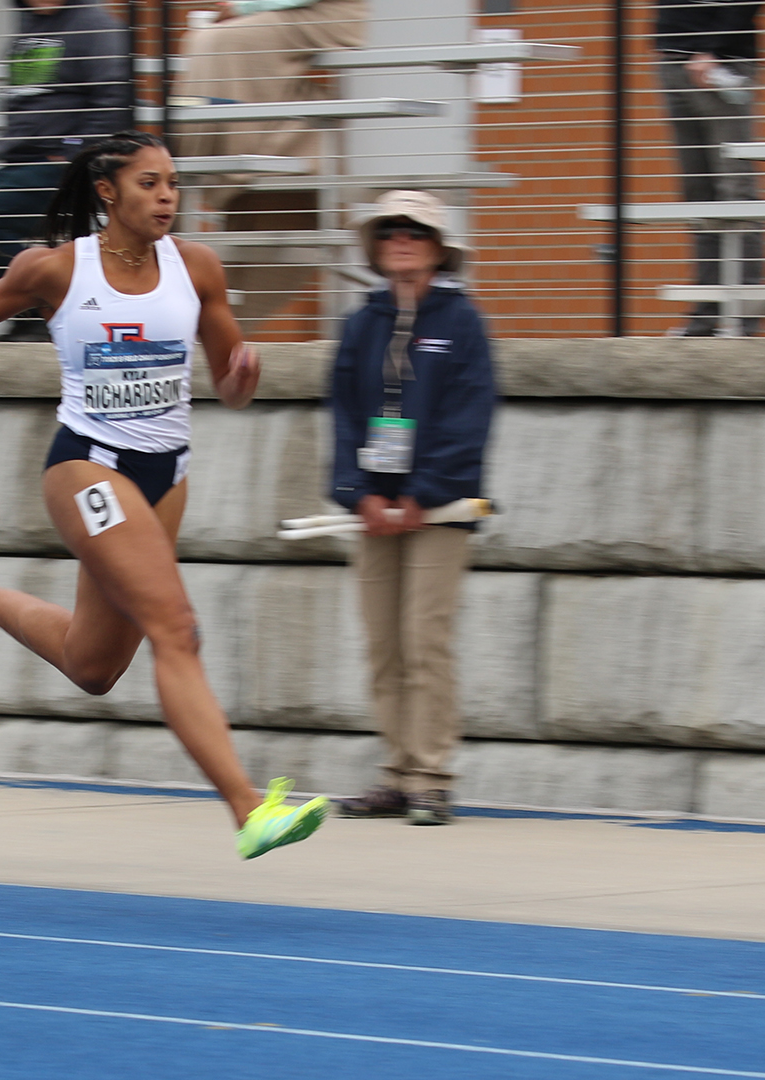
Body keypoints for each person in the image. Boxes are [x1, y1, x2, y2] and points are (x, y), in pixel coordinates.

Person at [0, 130, 327, 861]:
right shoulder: (58, 270)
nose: (166, 198)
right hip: (86, 468)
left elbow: (227, 380)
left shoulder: (197, 268)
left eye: (173, 184)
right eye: (149, 184)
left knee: (93, 666)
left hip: (167, 475)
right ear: (108, 193)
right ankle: (249, 808)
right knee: (177, 628)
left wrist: (240, 382)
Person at [325, 191, 495, 826]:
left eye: (415, 231)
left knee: (426, 641)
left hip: (440, 511)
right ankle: (396, 772)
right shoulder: (362, 322)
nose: (401, 238)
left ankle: (432, 777)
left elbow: (469, 419)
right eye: (390, 229)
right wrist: (357, 491)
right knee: (384, 645)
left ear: (438, 248)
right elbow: (342, 413)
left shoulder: (462, 323)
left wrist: (421, 494)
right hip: (374, 510)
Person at [0, 0, 131, 325]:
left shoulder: (94, 24)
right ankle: (40, 308)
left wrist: (71, 152)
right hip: (17, 163)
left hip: (61, 169)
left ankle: (50, 302)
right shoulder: (29, 25)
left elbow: (113, 101)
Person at [171, 0, 367, 320]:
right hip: (284, 16)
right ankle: (205, 156)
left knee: (223, 41)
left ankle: (205, 157)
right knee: (203, 39)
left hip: (347, 10)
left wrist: (248, 6)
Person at [655, 0, 765, 337]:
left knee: (735, 190)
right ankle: (705, 314)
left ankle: (744, 317)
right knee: (698, 197)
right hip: (672, 58)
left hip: (721, 60)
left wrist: (712, 48)